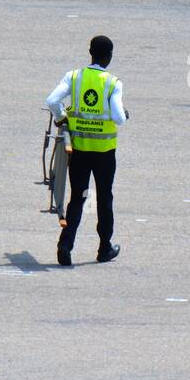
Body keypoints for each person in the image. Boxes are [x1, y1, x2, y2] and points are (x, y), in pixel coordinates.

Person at [46, 35, 128, 266]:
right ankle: (104, 248)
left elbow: (52, 100)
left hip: (79, 151)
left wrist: (62, 118)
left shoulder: (73, 77)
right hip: (104, 153)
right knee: (104, 199)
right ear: (109, 56)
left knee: (78, 198)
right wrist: (124, 113)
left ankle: (65, 245)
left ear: (90, 52)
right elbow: (119, 118)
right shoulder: (112, 83)